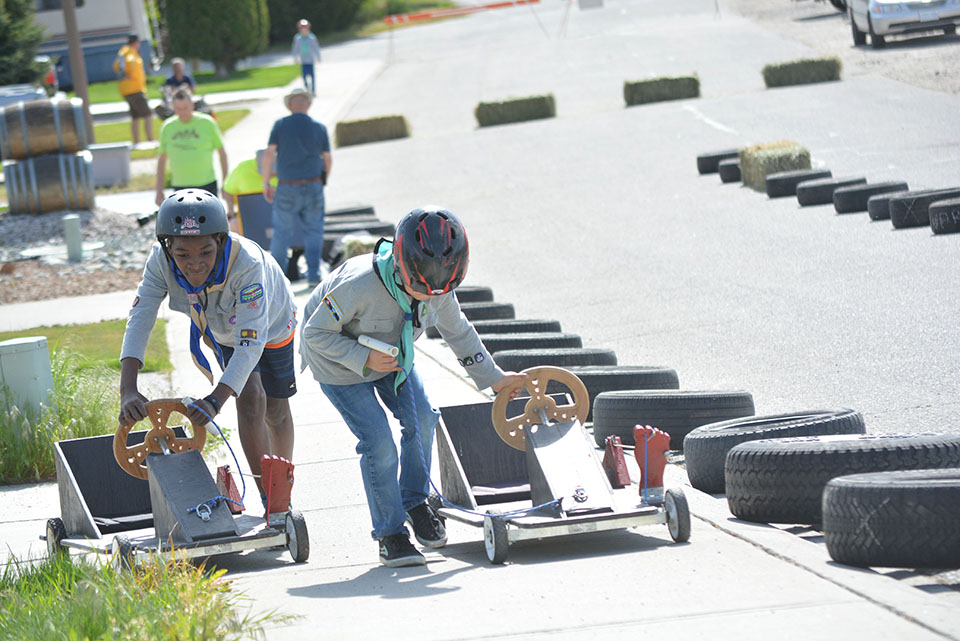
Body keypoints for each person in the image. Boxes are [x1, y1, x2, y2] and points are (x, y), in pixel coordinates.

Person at [299, 207, 529, 567]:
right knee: (378, 443)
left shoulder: (437, 286)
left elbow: (459, 333)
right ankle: (390, 534)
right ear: (404, 266)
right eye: (421, 287)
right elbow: (314, 334)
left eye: (440, 288)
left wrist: (495, 379)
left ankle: (415, 503)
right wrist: (362, 358)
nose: (430, 295)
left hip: (394, 359)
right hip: (339, 366)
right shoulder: (360, 283)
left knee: (424, 419)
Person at [118, 189, 298, 510]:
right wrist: (128, 388)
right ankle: (272, 500)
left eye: (205, 252)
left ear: (220, 240)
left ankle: (280, 482)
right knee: (251, 397)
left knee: (275, 409)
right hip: (226, 329)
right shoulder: (161, 262)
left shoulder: (248, 265)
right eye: (183, 255)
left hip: (271, 322)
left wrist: (216, 400)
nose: (195, 264)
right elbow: (141, 315)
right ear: (167, 246)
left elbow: (252, 341)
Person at [261, 88, 331, 287]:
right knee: (314, 231)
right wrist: (323, 180)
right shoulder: (319, 127)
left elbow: (269, 154)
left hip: (287, 187)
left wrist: (266, 182)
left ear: (290, 105)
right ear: (307, 104)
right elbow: (327, 159)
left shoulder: (280, 125)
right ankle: (314, 275)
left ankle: (277, 280)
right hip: (313, 184)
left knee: (282, 233)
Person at [155, 89, 229, 207]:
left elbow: (222, 154)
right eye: (178, 108)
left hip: (207, 185)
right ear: (172, 108)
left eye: (185, 107)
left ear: (192, 105)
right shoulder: (168, 127)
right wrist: (159, 191)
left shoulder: (207, 123)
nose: (182, 112)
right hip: (180, 188)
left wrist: (226, 184)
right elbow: (162, 159)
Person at [222, 149, 277, 233]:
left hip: (279, 215)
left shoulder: (286, 170)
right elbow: (227, 191)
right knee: (232, 224)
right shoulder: (242, 168)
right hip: (249, 217)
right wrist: (231, 209)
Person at [114, 34, 154, 147]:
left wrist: (123, 74)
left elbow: (116, 65)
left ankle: (136, 141)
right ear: (136, 42)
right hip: (135, 89)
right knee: (148, 115)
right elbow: (128, 64)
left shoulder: (123, 51)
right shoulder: (130, 53)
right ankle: (150, 139)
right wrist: (128, 74)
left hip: (126, 90)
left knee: (135, 116)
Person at [291, 19, 322, 94]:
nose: (304, 30)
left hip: (310, 60)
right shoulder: (298, 38)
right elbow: (295, 49)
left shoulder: (312, 37)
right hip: (303, 60)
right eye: (302, 29)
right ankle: (307, 89)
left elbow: (316, 47)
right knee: (304, 76)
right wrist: (295, 58)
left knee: (312, 76)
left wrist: (318, 57)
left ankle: (313, 91)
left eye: (305, 28)